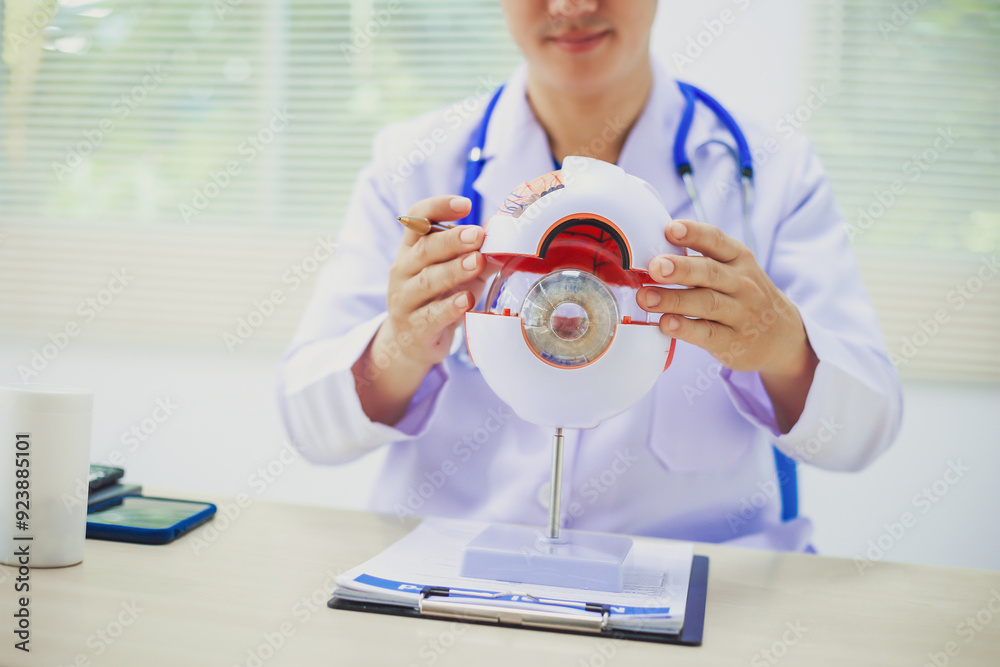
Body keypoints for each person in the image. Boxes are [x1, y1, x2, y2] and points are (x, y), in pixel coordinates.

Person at [277, 0, 903, 551]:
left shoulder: (772, 172)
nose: (571, 5)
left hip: (703, 587)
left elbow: (864, 435)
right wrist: (400, 346)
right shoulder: (412, 165)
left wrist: (782, 347)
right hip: (453, 578)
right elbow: (312, 430)